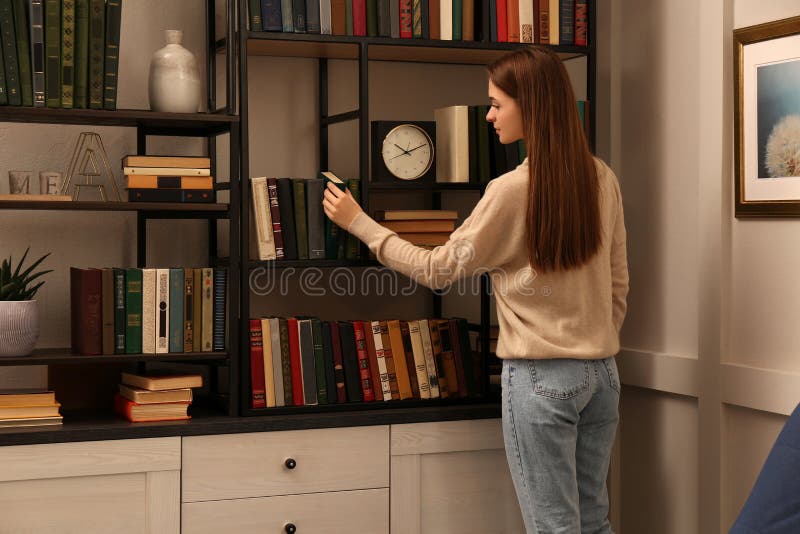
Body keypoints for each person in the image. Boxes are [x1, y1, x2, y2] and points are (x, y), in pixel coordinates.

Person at [323, 46, 628, 534]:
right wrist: (596, 339)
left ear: (530, 105)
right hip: (602, 377)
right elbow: (617, 283)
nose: (488, 115)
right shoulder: (602, 177)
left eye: (496, 103)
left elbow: (438, 268)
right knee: (592, 523)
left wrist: (362, 224)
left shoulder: (510, 189)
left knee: (555, 528)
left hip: (541, 377)